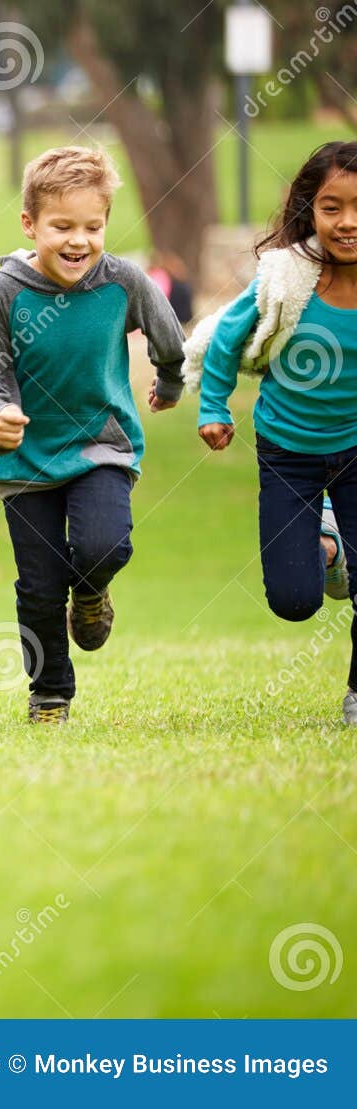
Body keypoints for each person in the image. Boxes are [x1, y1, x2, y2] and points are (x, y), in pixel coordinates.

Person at [0, 147, 185, 725]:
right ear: (30, 225)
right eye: (62, 226)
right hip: (24, 460)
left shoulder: (121, 282)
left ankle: (90, 594)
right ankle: (50, 694)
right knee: (38, 585)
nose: (78, 241)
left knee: (102, 547)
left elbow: (167, 335)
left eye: (93, 226)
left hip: (100, 447)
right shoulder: (7, 294)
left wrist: (169, 380)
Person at [190, 140, 357, 726]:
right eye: (332, 207)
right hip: (288, 451)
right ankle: (327, 548)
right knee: (294, 602)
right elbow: (224, 338)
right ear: (311, 211)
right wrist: (214, 407)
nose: (348, 222)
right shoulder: (287, 277)